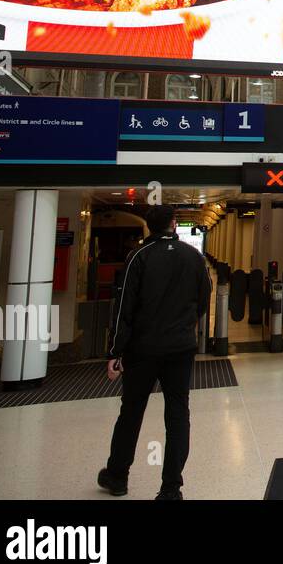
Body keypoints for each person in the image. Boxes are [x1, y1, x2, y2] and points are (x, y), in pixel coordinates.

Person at [98, 204, 211, 499]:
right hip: (181, 348)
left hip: (142, 349)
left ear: (149, 226)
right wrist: (187, 325)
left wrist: (115, 351)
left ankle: (117, 476)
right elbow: (204, 298)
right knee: (178, 413)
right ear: (174, 224)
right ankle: (171, 488)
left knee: (131, 411)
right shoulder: (194, 256)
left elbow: (124, 308)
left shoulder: (138, 256)